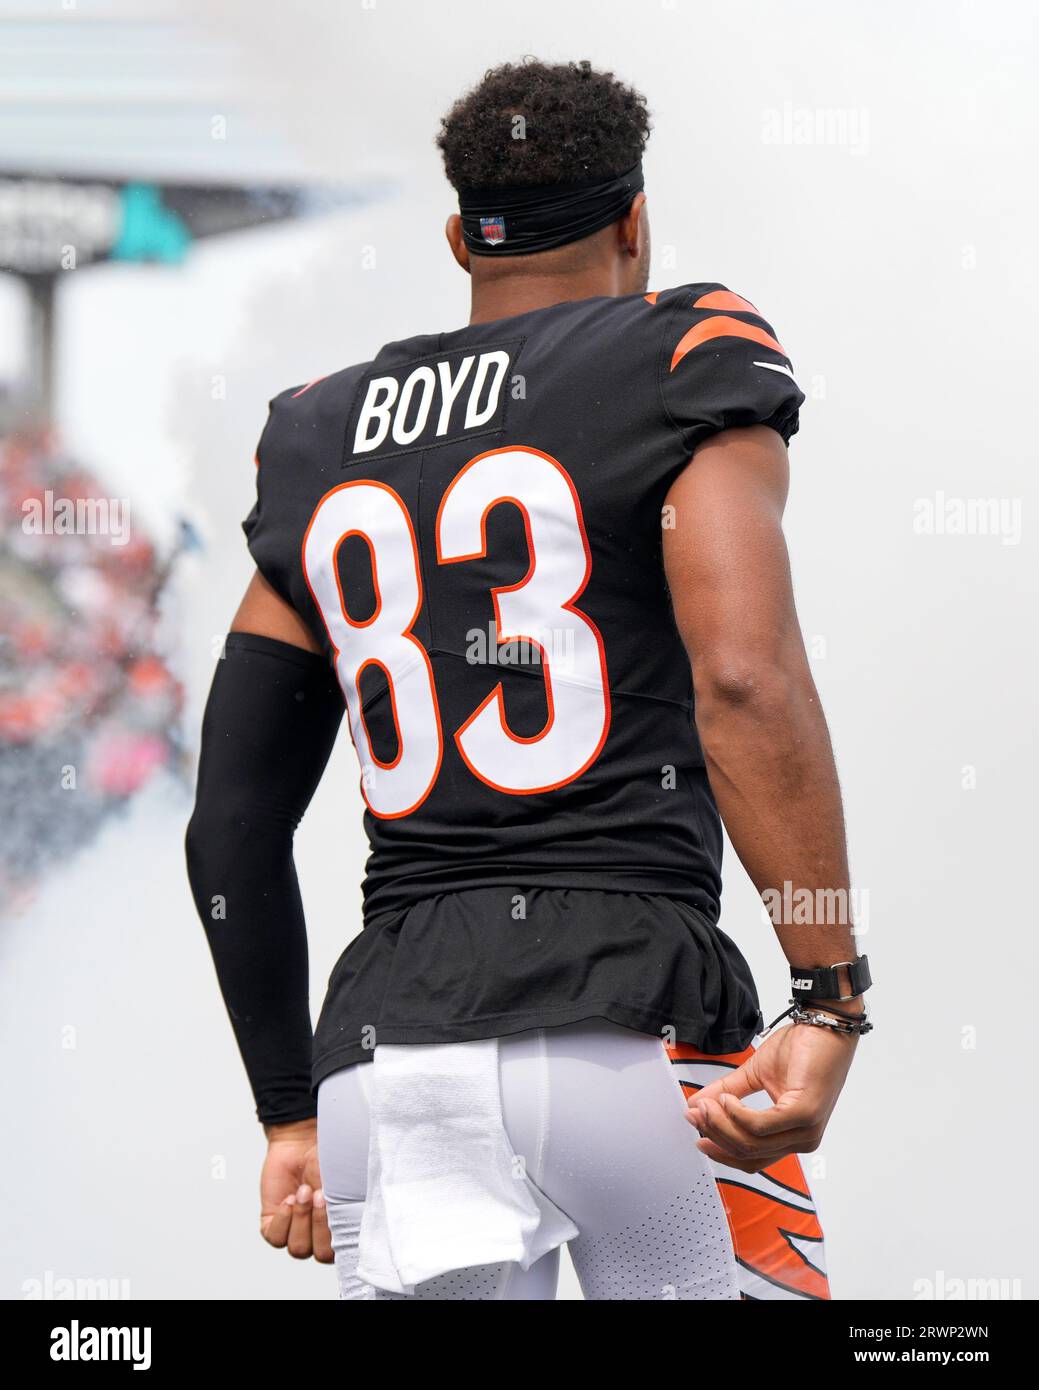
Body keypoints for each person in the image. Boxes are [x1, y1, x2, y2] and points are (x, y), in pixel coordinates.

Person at [186, 58, 870, 1302]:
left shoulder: (312, 431)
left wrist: (290, 1109)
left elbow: (231, 827)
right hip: (636, 1027)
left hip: (389, 1058)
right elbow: (746, 680)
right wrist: (828, 995)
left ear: (460, 236)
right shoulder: (684, 351)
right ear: (634, 220)